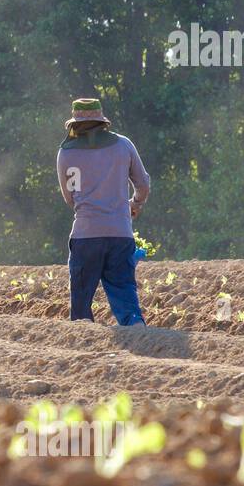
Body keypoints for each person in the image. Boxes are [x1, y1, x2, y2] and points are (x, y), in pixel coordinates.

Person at [55, 97, 150, 326]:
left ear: (74, 124)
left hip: (85, 235)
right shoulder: (123, 145)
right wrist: (133, 205)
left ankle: (84, 340)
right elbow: (143, 184)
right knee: (123, 290)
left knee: (81, 304)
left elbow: (70, 198)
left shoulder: (65, 153)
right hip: (120, 233)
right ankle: (135, 326)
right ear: (102, 121)